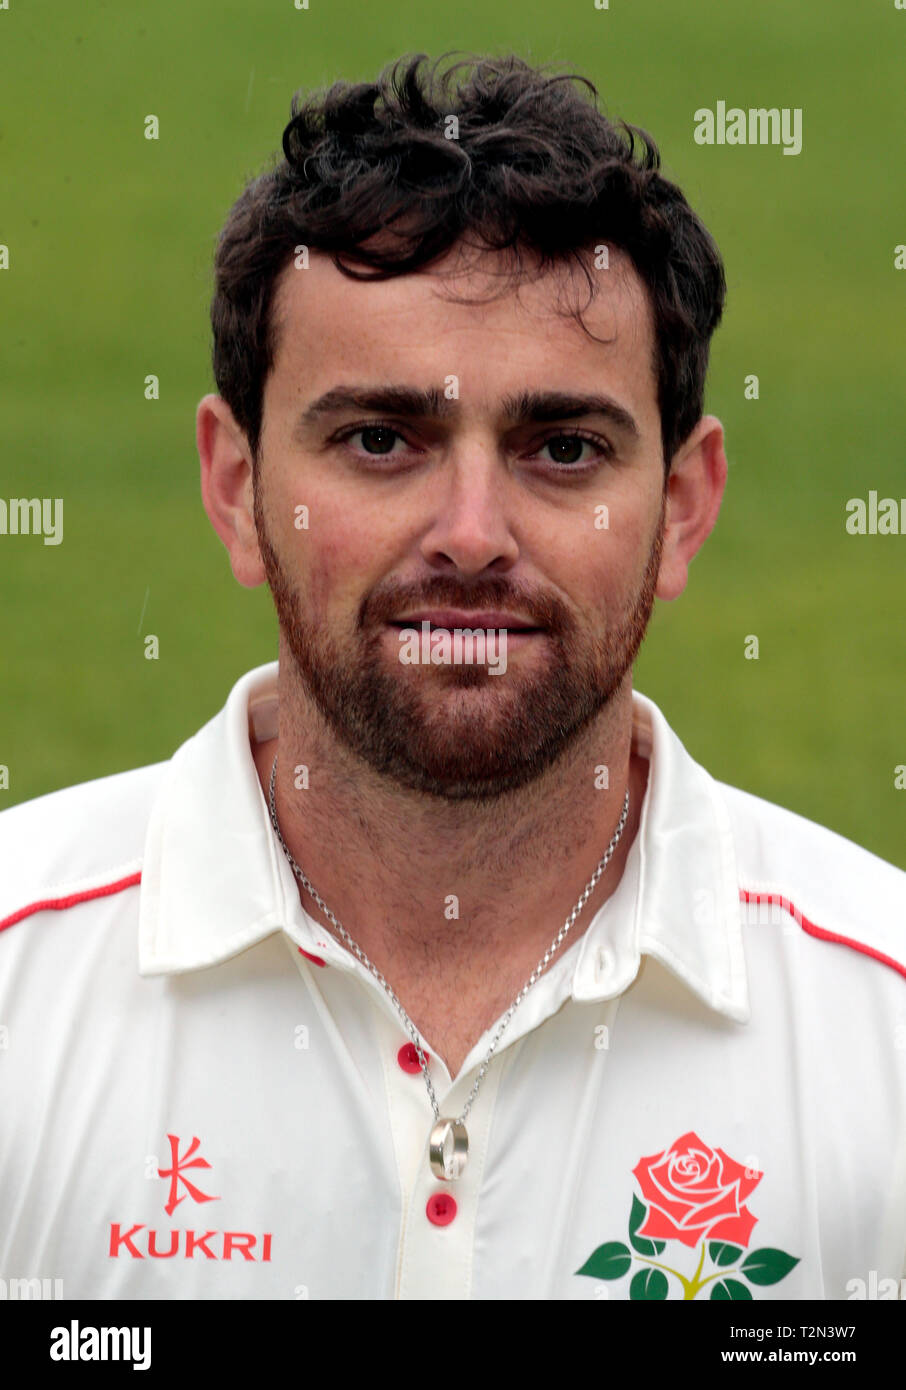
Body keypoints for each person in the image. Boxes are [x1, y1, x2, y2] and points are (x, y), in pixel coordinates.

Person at [1, 51, 903, 1303]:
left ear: (684, 509)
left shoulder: (882, 1027)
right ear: (234, 486)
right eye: (381, 440)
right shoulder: (16, 990)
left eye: (564, 447)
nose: (472, 531)